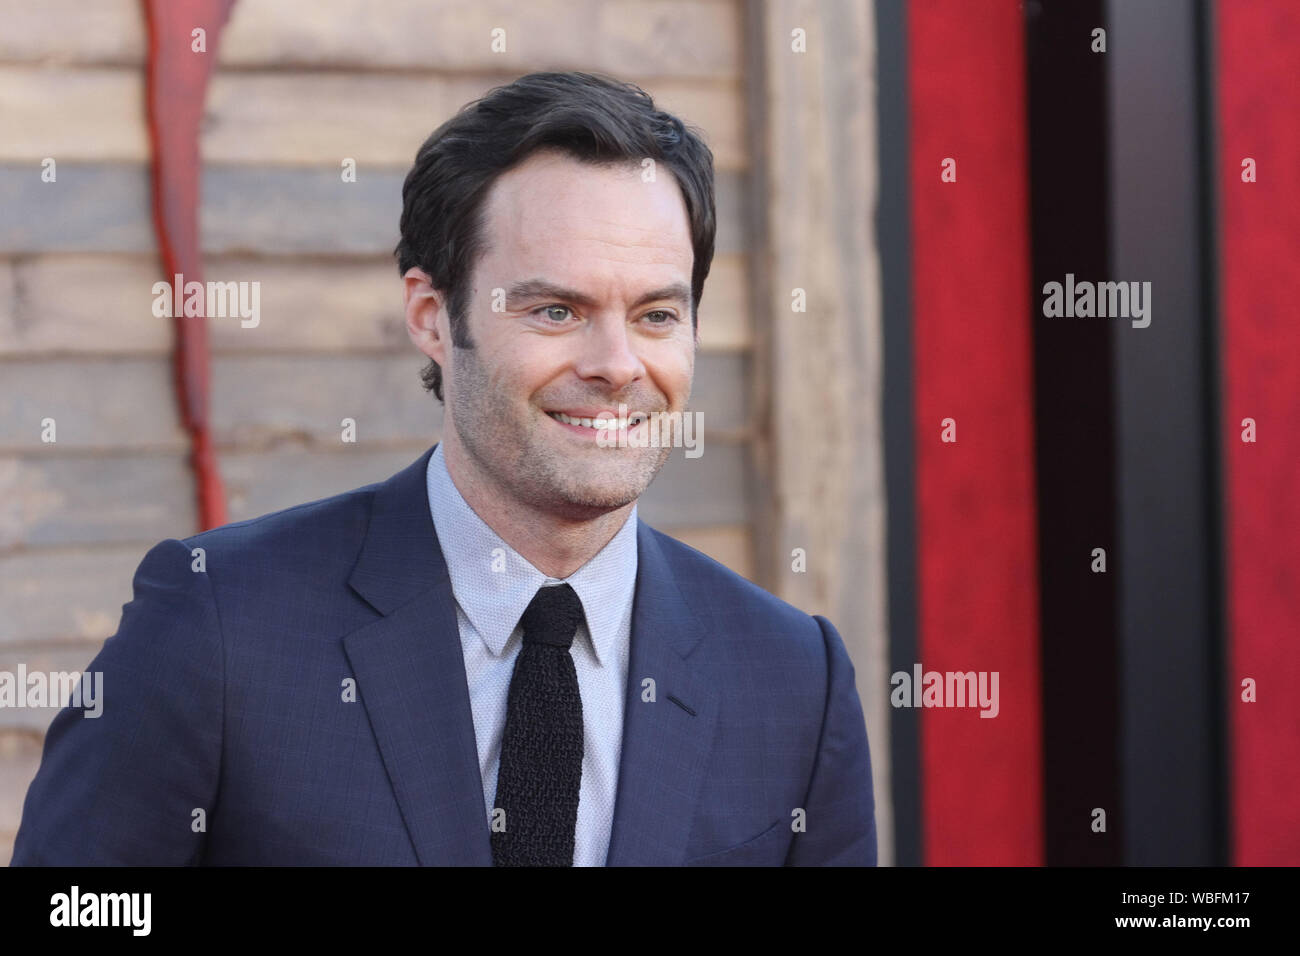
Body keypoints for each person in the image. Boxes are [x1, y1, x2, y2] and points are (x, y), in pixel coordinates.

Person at [12, 71, 876, 866]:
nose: (617, 365)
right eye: (555, 310)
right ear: (432, 316)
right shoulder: (217, 628)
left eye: (656, 315)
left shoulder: (795, 681)